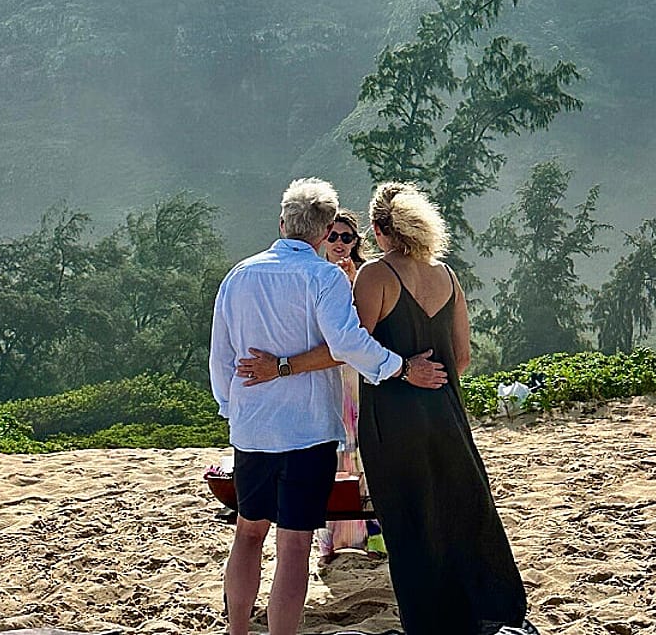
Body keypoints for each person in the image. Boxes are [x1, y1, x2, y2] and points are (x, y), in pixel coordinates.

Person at [239, 182, 528, 635]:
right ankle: (489, 608)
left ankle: (430, 619)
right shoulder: (447, 276)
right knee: (459, 508)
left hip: (393, 420)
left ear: (376, 228)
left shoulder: (376, 276)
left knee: (408, 520)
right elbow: (463, 358)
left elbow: (349, 348)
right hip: (446, 412)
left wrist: (283, 367)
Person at [209, 178, 446, 635]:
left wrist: (231, 407)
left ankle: (237, 630)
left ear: (282, 223)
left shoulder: (239, 275)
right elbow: (347, 344)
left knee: (248, 533)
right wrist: (401, 369)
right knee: (294, 545)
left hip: (252, 429)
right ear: (323, 233)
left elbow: (221, 353)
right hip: (308, 431)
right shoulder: (324, 277)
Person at [315, 210, 387, 565]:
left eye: (348, 237)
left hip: (358, 375)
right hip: (328, 374)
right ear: (324, 238)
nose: (341, 243)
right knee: (334, 450)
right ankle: (330, 538)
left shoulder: (368, 276)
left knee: (364, 449)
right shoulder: (316, 276)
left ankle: (374, 534)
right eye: (335, 237)